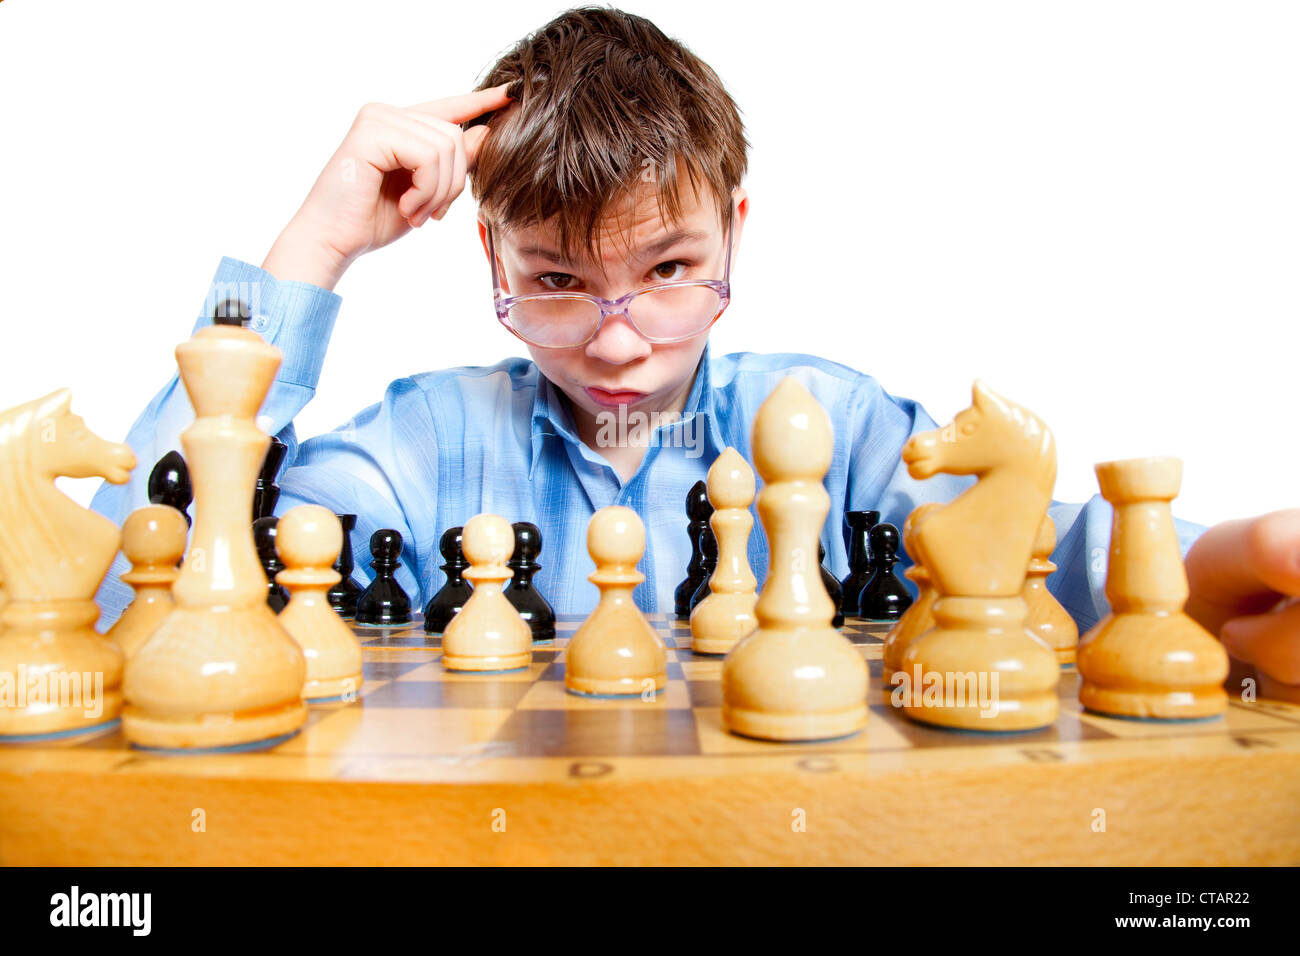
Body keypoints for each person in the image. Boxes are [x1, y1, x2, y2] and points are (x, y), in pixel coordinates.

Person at [90, 6, 1297, 698]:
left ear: (736, 235)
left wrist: (1258, 552)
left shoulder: (828, 425)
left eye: (669, 271)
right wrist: (313, 245)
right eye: (556, 282)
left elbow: (1084, 570)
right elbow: (109, 602)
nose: (618, 338)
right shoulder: (422, 445)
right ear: (492, 268)